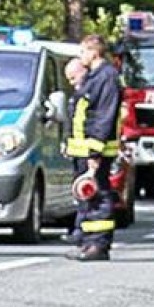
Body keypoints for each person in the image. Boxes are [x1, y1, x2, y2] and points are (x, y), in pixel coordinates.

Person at [65, 34, 122, 262]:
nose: (81, 57)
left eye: (82, 52)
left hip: (95, 151)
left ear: (93, 52)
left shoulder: (107, 78)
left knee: (98, 196)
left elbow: (104, 117)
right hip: (84, 149)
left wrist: (95, 152)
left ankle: (98, 244)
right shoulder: (94, 77)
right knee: (88, 197)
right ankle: (88, 242)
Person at [61, 57, 88, 244]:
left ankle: (82, 231)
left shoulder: (89, 93)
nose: (72, 83)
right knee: (80, 194)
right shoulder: (79, 95)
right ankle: (80, 229)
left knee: (87, 194)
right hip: (79, 151)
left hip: (89, 151)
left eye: (73, 78)